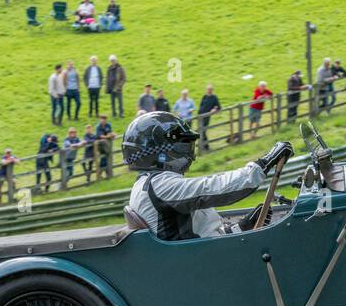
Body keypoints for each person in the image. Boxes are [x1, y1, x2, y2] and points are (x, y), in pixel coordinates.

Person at [123, 112, 293, 240]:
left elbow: (203, 233)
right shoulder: (160, 186)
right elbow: (214, 187)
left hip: (202, 256)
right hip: (201, 264)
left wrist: (241, 227)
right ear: (159, 151)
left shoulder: (148, 184)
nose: (188, 152)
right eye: (181, 146)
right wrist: (264, 163)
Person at [198, 83, 221, 151]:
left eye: (210, 89)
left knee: (203, 131)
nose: (209, 90)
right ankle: (204, 146)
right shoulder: (204, 96)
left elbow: (219, 106)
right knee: (200, 131)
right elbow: (201, 105)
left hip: (207, 116)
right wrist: (198, 114)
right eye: (208, 89)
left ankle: (206, 146)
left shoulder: (214, 97)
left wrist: (215, 109)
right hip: (200, 116)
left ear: (212, 90)